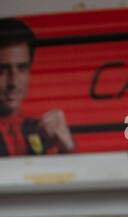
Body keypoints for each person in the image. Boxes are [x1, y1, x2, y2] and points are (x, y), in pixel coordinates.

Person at [0, 18, 75, 157]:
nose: (13, 83)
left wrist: (67, 149)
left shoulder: (38, 130)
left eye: (22, 68)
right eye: (2, 70)